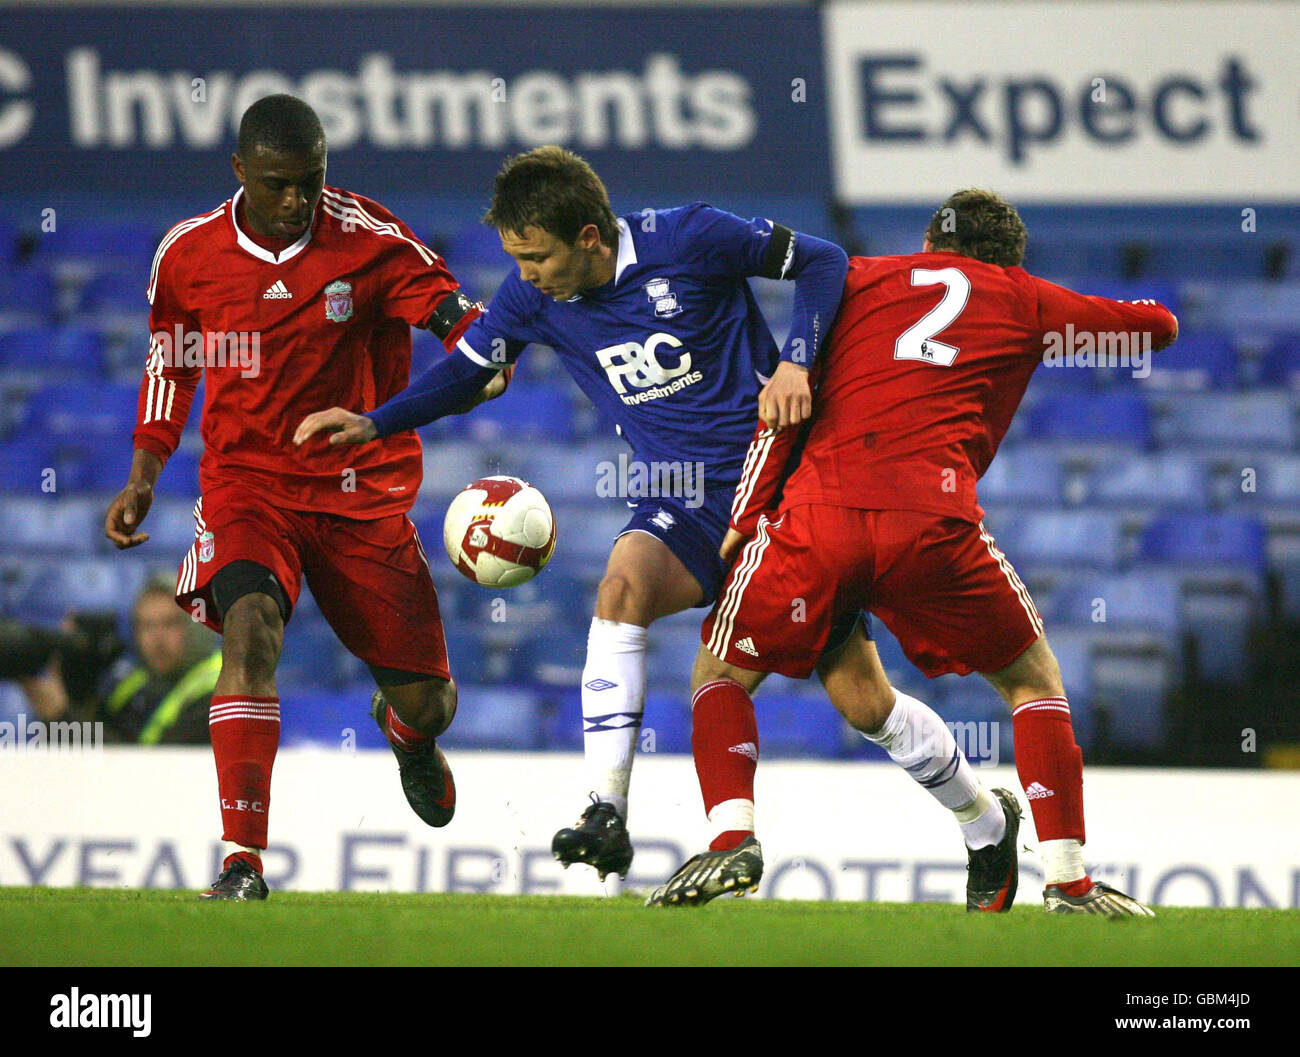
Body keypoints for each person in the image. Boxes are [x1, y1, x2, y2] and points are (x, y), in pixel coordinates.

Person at [294, 145, 852, 881]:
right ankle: (605, 810)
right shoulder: (533, 299)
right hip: (680, 501)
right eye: (516, 257)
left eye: (537, 256)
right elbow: (468, 372)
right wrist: (375, 422)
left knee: (863, 697)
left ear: (589, 237)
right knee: (620, 588)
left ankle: (982, 819)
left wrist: (797, 361)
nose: (525, 275)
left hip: (776, 484)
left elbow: (824, 261)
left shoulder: (690, 238)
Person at [649, 188, 1177, 915]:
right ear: (1010, 260)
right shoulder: (1024, 297)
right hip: (930, 525)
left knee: (720, 672)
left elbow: (785, 403)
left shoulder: (852, 277)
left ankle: (731, 839)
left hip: (819, 519)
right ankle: (1066, 878)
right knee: (1023, 682)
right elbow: (1157, 329)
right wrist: (1115, 317)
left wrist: (745, 516)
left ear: (930, 244)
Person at [104, 94, 501, 901]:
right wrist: (145, 471)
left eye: (311, 181)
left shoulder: (373, 242)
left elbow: (455, 319)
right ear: (241, 171)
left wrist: (481, 345)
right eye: (280, 184)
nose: (297, 201)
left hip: (362, 493)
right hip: (249, 485)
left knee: (432, 701)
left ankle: (406, 734)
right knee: (249, 634)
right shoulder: (187, 255)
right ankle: (242, 861)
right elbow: (170, 364)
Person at [19, 571, 220, 745]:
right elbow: (106, 733)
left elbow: (155, 769)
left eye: (169, 624)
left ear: (197, 626)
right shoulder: (134, 683)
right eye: (146, 626)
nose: (156, 639)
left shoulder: (220, 690)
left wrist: (61, 718)